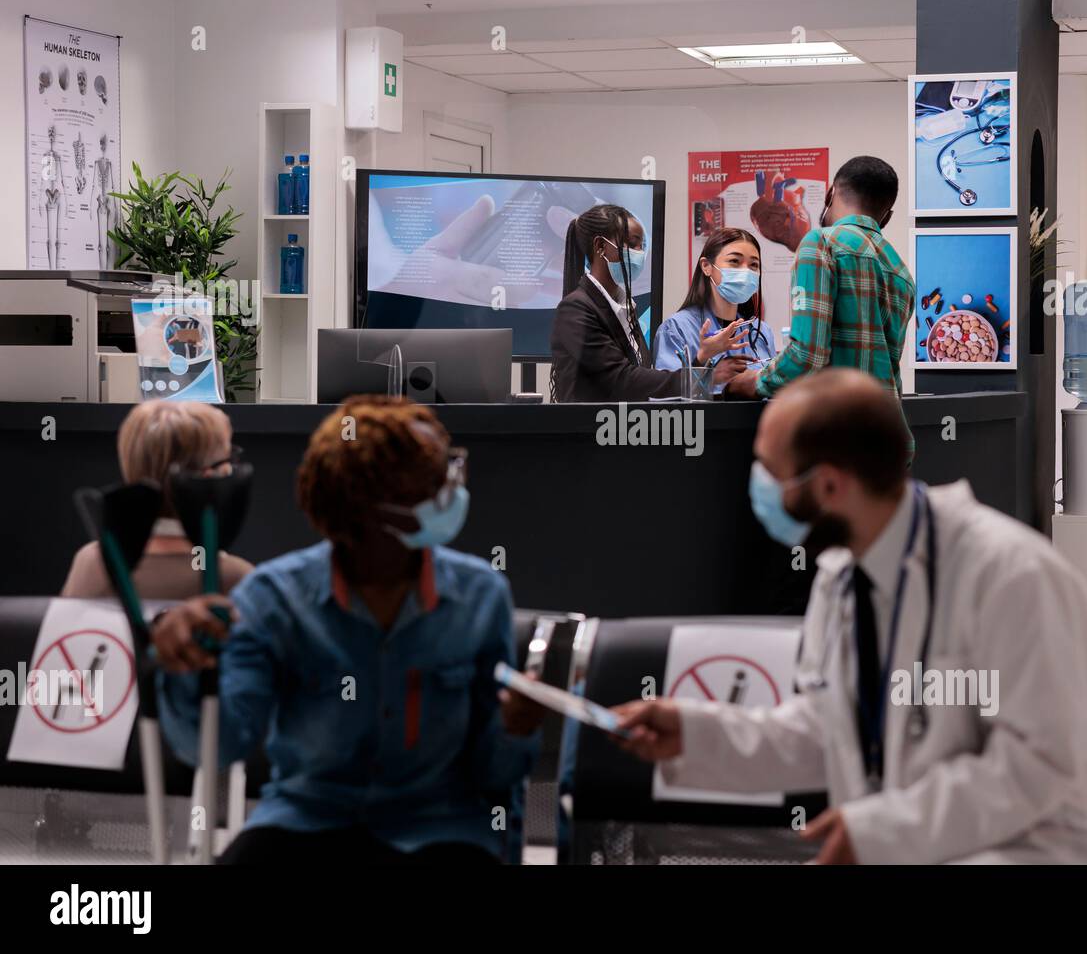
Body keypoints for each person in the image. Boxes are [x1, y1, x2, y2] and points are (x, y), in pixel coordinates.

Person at [614, 370, 1087, 865]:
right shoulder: (841, 575)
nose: (759, 490)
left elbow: (1041, 765)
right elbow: (827, 730)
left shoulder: (1012, 576)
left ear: (829, 487)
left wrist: (882, 831)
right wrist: (696, 732)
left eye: (770, 472)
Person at [149, 395, 543, 864]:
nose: (451, 488)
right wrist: (186, 670)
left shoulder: (481, 596)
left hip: (437, 826)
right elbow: (215, 744)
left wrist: (515, 729)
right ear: (375, 508)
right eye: (433, 480)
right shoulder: (274, 598)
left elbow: (493, 776)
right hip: (307, 820)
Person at [726, 157, 916, 456]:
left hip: (835, 440)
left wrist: (751, 383)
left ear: (829, 195)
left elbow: (807, 355)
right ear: (887, 217)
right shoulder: (900, 271)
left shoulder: (821, 244)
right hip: (887, 441)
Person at [549, 204, 749, 402]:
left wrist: (701, 360)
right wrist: (706, 378)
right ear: (600, 246)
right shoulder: (575, 310)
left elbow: (643, 378)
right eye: (631, 244)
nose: (639, 253)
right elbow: (622, 380)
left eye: (642, 246)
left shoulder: (624, 307)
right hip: (591, 431)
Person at [62, 400, 253, 600]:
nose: (231, 469)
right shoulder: (235, 577)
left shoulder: (91, 561)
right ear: (207, 476)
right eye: (229, 459)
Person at [652, 227, 777, 393]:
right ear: (706, 266)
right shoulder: (676, 329)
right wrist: (706, 368)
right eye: (734, 261)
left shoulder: (761, 332)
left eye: (754, 265)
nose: (746, 271)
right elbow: (667, 396)